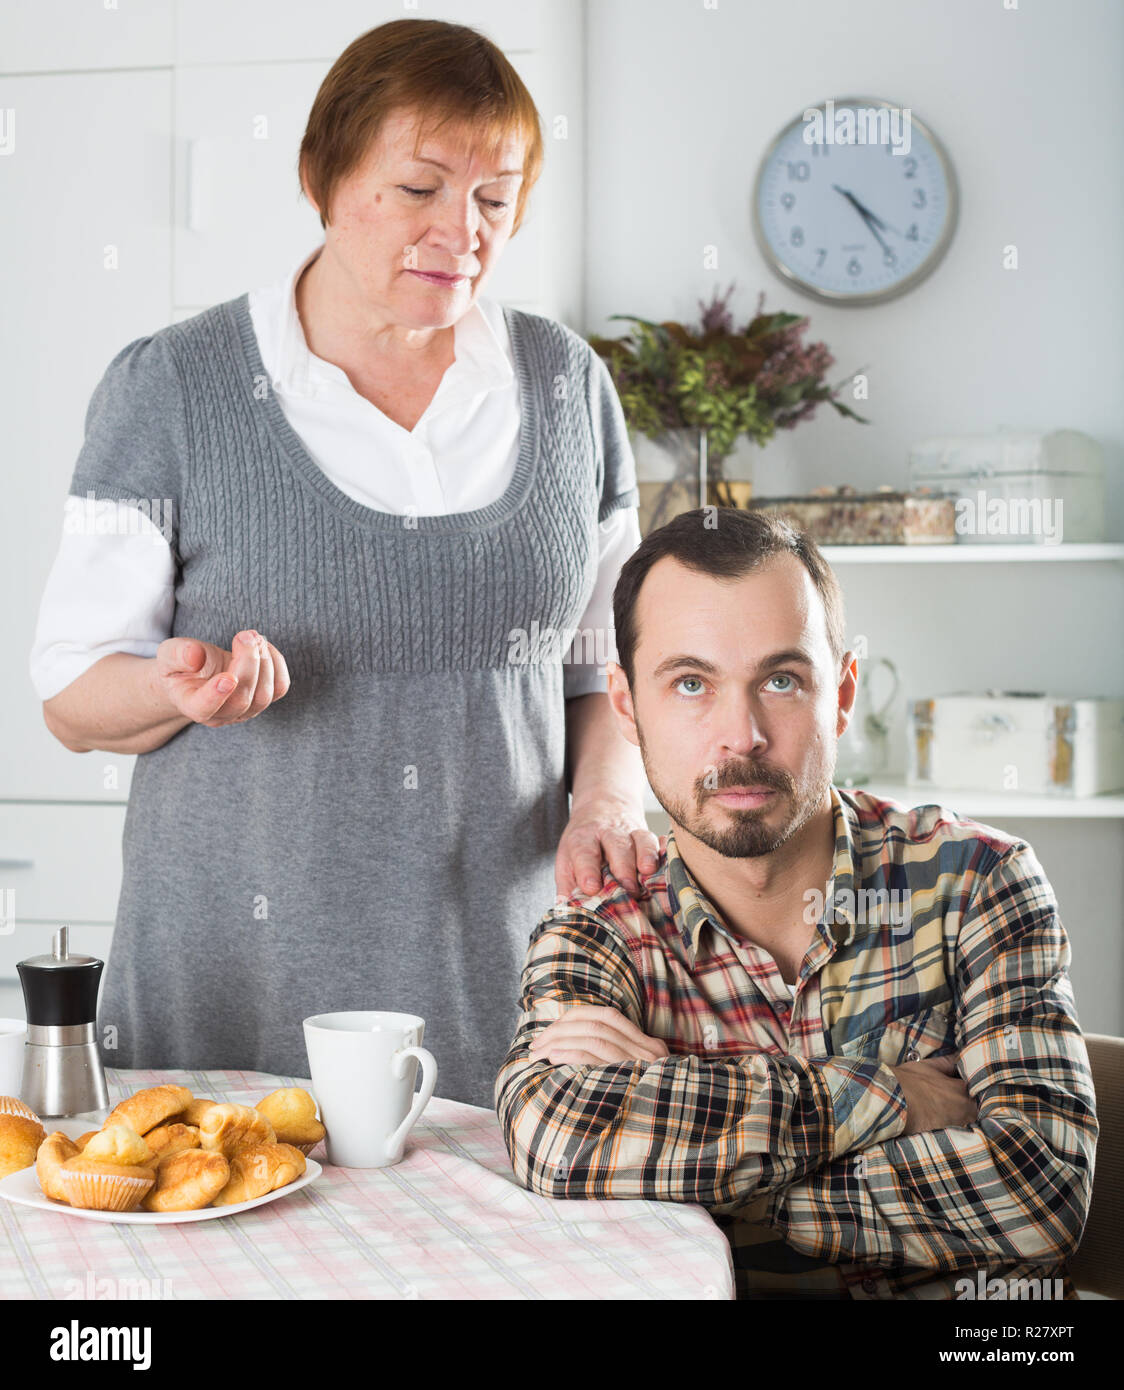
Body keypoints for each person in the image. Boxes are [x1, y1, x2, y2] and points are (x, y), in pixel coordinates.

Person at [29, 19, 658, 1109]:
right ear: (321, 175)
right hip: (233, 977)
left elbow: (605, 670)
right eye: (418, 188)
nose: (457, 232)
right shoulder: (175, 388)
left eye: (493, 200)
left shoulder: (567, 388)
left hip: (500, 976)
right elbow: (73, 697)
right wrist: (173, 685)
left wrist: (606, 799)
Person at [494, 507, 1098, 1299]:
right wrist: (889, 1097)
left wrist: (707, 1166)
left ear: (841, 693)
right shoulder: (599, 927)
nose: (739, 735)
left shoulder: (978, 881)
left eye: (780, 680)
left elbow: (1039, 1195)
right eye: (690, 684)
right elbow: (557, 1138)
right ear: (628, 708)